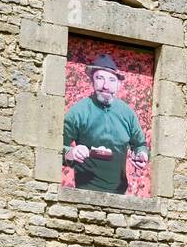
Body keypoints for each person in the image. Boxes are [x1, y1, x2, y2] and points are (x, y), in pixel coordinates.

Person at [62, 53, 150, 195]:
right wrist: (71, 153)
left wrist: (142, 155)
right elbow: (53, 148)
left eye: (111, 80)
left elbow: (140, 145)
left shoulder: (127, 113)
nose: (105, 86)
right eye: (100, 78)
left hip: (120, 195)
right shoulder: (78, 111)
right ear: (92, 80)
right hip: (83, 194)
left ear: (119, 84)